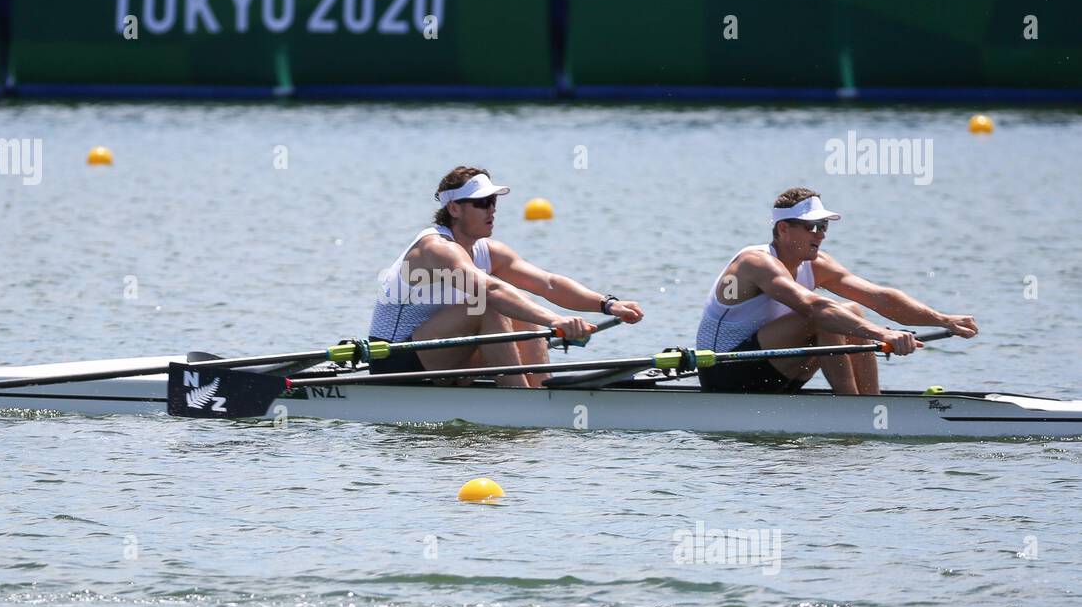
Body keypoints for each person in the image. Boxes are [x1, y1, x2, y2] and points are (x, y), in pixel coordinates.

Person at [369, 166, 645, 387]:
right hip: (394, 362)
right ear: (454, 209)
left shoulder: (490, 251)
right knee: (488, 305)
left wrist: (608, 304)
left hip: (444, 354)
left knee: (521, 306)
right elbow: (489, 290)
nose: (492, 209)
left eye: (494, 201)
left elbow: (548, 284)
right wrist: (556, 320)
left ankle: (541, 388)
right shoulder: (435, 248)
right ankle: (522, 401)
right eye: (482, 203)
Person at [695, 187, 978, 394]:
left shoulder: (816, 264)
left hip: (771, 371)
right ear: (783, 229)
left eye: (824, 226)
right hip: (724, 373)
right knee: (822, 314)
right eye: (813, 227)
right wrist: (883, 334)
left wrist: (942, 319)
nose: (822, 234)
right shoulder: (755, 262)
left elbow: (879, 297)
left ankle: (869, 402)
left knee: (853, 310)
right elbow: (813, 308)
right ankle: (851, 409)